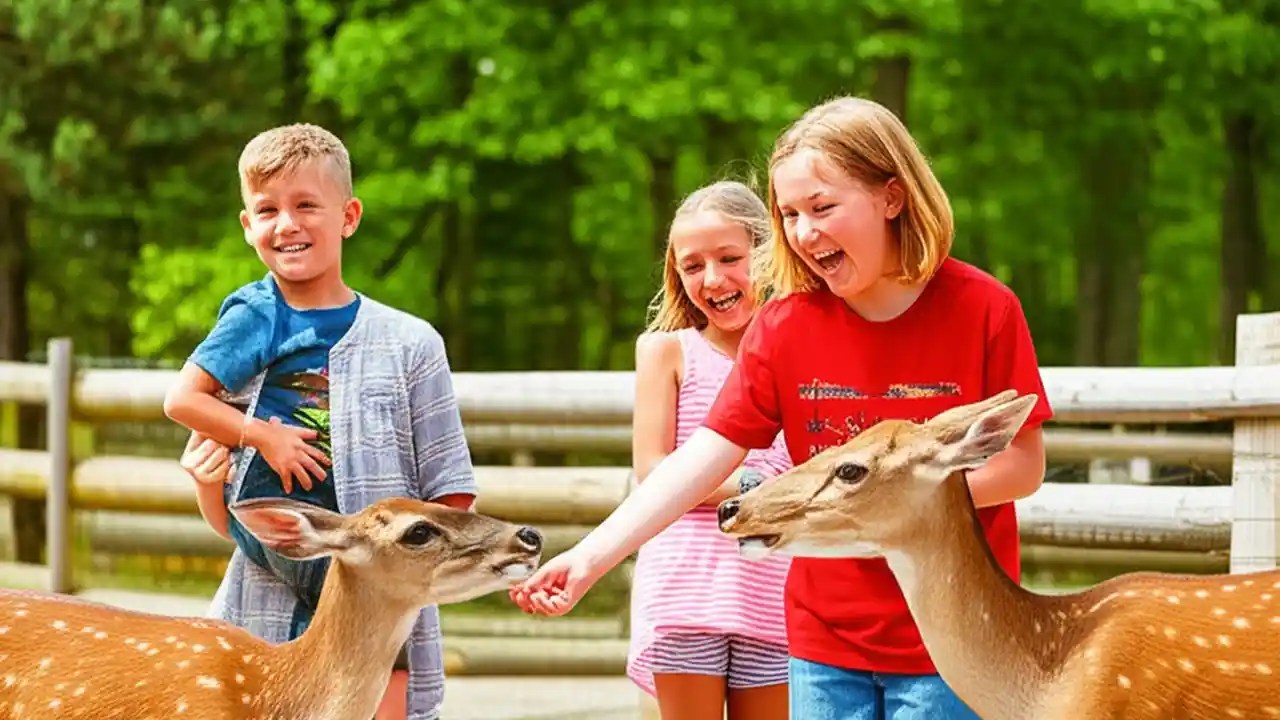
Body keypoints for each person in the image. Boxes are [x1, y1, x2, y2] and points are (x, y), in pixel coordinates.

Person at [511, 96, 1052, 719]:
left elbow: (1022, 467)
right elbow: (701, 459)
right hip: (822, 643)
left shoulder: (984, 309)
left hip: (953, 642)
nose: (803, 231)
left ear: (892, 197)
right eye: (789, 213)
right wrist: (589, 558)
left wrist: (895, 504)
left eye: (823, 208)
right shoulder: (785, 325)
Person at [163, 123, 477, 720]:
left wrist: (400, 575)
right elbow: (236, 521)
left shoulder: (411, 343)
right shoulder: (249, 327)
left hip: (382, 607)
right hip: (268, 606)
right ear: (247, 225)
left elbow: (451, 491)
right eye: (268, 209)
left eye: (307, 204)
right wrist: (230, 463)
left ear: (349, 215)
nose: (288, 223)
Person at [628, 180, 793, 720]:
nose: (713, 280)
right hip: (686, 591)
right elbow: (653, 470)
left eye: (729, 258)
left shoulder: (801, 350)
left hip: (773, 587)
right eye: (692, 266)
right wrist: (755, 487)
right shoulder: (667, 352)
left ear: (767, 255)